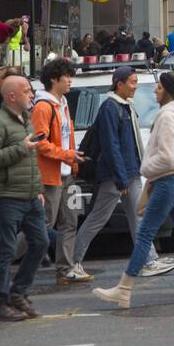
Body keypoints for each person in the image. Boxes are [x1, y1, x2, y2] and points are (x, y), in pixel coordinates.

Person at [93, 71, 174, 307]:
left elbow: (168, 157)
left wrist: (146, 167)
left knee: (144, 234)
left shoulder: (168, 116)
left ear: (169, 91)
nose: (154, 92)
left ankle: (124, 288)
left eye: (159, 88)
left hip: (168, 180)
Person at [71, 66, 166, 279]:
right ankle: (73, 261)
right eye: (132, 83)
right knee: (98, 217)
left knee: (138, 217)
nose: (135, 87)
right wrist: (121, 179)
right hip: (117, 175)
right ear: (119, 83)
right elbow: (111, 145)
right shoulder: (110, 108)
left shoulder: (125, 106)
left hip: (130, 171)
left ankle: (149, 260)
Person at [0, 75, 49, 321]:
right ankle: (0, 302)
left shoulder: (26, 120)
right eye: (27, 91)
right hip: (7, 196)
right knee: (6, 249)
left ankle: (18, 292)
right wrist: (22, 147)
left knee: (41, 242)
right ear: (12, 96)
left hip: (29, 195)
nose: (32, 95)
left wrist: (38, 188)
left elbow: (31, 161)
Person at [33, 59, 89, 286]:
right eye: (67, 77)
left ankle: (65, 269)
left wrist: (72, 160)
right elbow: (40, 143)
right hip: (51, 176)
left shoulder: (62, 104)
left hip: (68, 173)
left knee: (70, 221)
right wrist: (67, 156)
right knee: (42, 223)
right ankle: (3, 259)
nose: (70, 81)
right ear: (54, 79)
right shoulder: (43, 107)